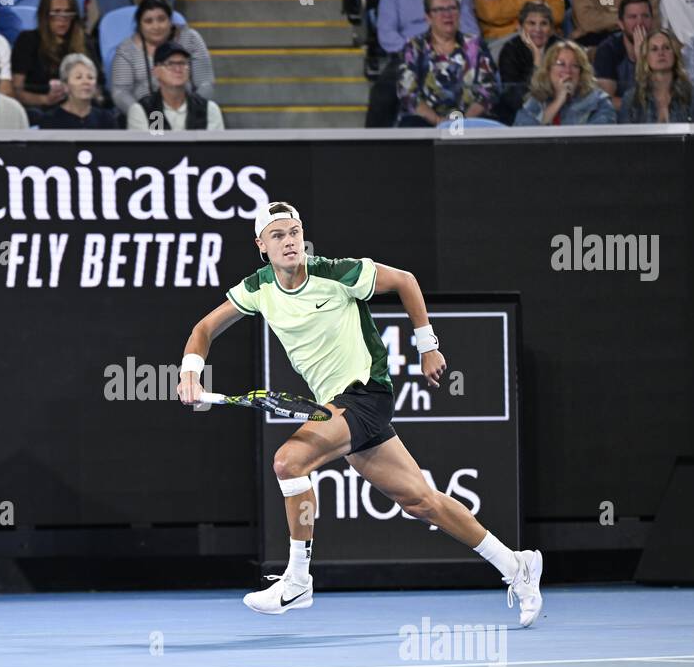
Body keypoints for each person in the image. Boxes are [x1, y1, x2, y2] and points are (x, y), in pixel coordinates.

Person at [175, 201, 544, 624]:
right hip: (338, 404)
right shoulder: (259, 288)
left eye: (294, 232)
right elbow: (203, 329)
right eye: (277, 235)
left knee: (288, 462)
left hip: (366, 393)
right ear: (262, 245)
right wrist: (190, 374)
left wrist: (428, 346)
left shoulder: (336, 272)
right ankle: (517, 566)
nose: (289, 241)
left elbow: (405, 281)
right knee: (420, 501)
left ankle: (297, 580)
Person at [395, 0, 497, 125]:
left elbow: (488, 90)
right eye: (438, 10)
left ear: (459, 12)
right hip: (427, 122)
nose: (447, 14)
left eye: (452, 8)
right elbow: (408, 94)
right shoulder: (414, 47)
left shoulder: (475, 45)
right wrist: (439, 122)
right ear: (428, 17)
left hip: (469, 121)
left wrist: (462, 122)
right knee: (411, 124)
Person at [109, 0, 213, 115]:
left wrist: (191, 110)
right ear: (139, 25)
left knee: (213, 112)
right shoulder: (126, 50)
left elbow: (205, 83)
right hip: (148, 114)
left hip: (187, 112)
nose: (156, 26)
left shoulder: (190, 39)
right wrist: (139, 113)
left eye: (161, 19)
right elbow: (120, 92)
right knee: (157, 133)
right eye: (148, 21)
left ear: (170, 21)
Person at [12, 0, 93, 110]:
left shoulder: (85, 42)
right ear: (44, 15)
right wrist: (44, 99)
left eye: (68, 13)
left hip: (79, 108)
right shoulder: (27, 41)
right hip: (41, 109)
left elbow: (97, 87)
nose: (63, 20)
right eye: (56, 13)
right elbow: (16, 90)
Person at [618, 27, 694, 120]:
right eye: (654, 49)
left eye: (666, 48)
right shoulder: (631, 100)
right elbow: (624, 136)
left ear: (675, 54)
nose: (661, 53)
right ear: (646, 57)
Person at [125, 39, 223, 129]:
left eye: (182, 63)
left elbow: (213, 147)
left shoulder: (208, 109)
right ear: (156, 71)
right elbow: (152, 145)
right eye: (170, 64)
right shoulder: (145, 110)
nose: (178, 69)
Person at [514, 39, 616, 123]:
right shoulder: (535, 100)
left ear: (581, 73)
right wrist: (558, 101)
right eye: (561, 64)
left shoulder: (599, 101)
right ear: (548, 69)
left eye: (575, 65)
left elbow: (598, 141)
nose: (567, 71)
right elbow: (523, 137)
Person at [593, 0, 655, 110]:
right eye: (632, 17)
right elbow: (606, 101)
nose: (640, 22)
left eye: (645, 16)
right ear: (621, 24)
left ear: (652, 21)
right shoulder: (608, 49)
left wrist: (643, 58)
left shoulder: (662, 47)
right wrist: (642, 108)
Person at [497, 0, 554, 123]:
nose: (537, 29)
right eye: (531, 23)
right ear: (521, 27)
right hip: (520, 114)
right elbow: (515, 98)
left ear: (551, 28)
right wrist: (537, 59)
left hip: (557, 111)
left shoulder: (561, 47)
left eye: (544, 23)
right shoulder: (510, 50)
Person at [37, 52, 117, 128]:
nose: (86, 82)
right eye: (78, 77)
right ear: (65, 85)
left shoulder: (106, 119)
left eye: (90, 77)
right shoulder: (50, 120)